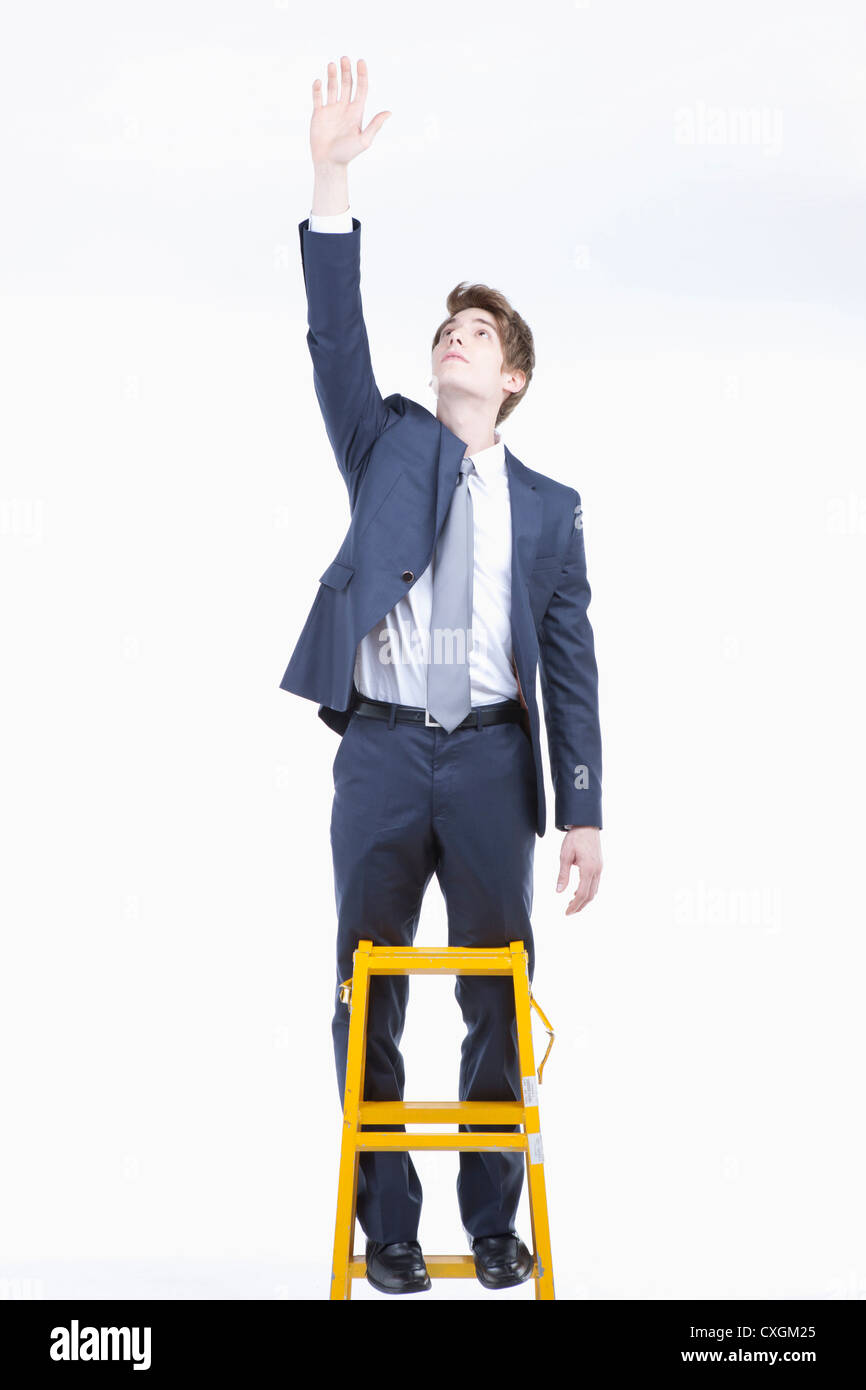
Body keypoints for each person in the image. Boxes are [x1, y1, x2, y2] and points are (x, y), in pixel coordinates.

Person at [279, 57, 604, 1295]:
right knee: (366, 991)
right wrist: (329, 176)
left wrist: (580, 807)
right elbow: (331, 334)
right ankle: (389, 1228)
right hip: (375, 747)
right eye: (445, 330)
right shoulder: (385, 441)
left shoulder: (551, 510)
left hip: (485, 760)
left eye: (474, 333)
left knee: (493, 995)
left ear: (510, 377)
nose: (450, 339)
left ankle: (494, 1215)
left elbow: (570, 667)